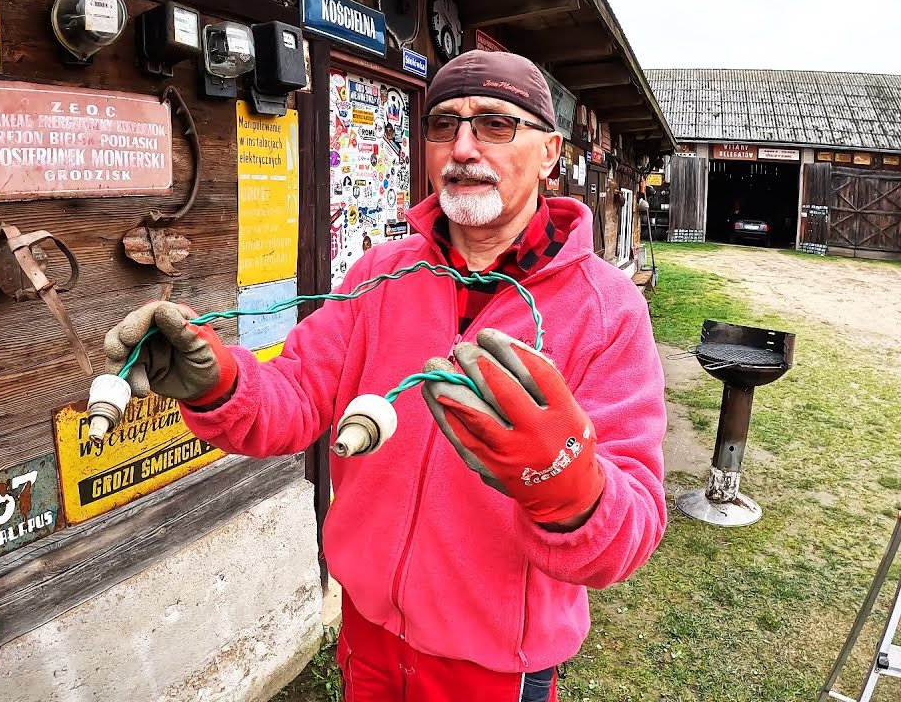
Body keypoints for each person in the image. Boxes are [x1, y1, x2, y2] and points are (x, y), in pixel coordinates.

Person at [103, 50, 667, 701]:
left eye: (494, 125)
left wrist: (567, 483)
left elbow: (631, 532)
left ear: (548, 152)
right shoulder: (381, 273)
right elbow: (294, 398)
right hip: (367, 633)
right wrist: (219, 382)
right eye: (443, 125)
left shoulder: (605, 309)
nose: (462, 148)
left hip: (492, 667)